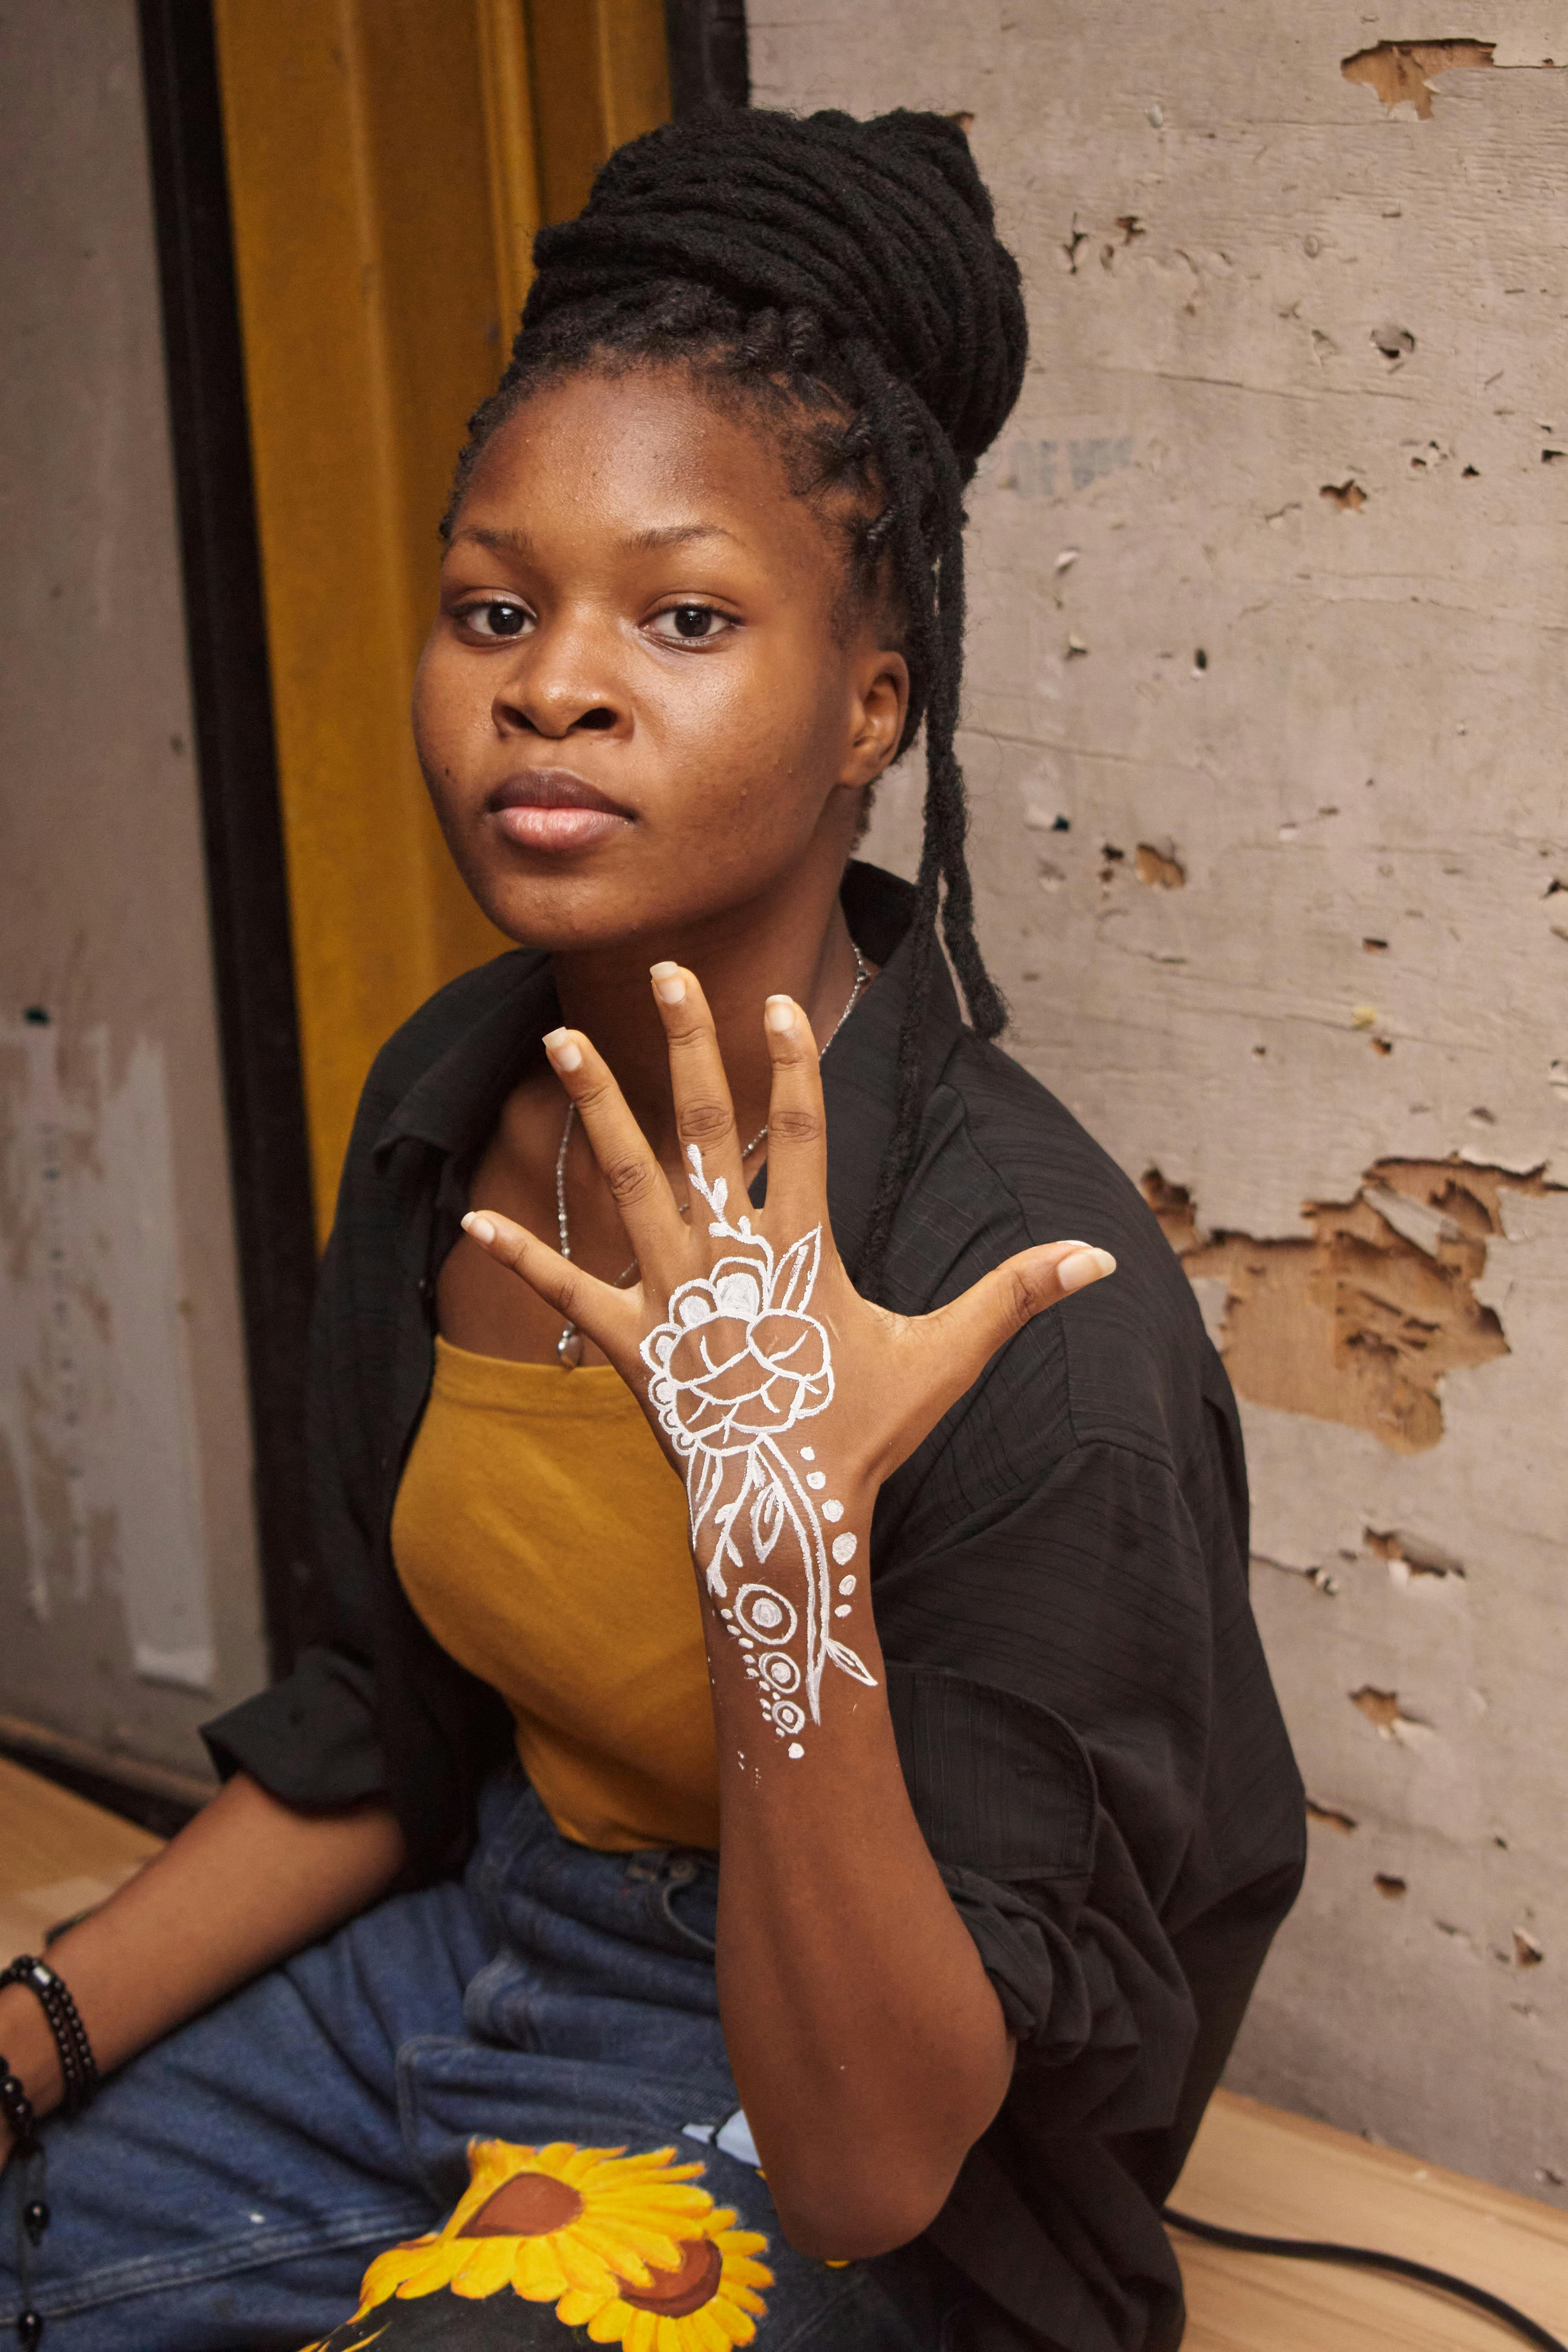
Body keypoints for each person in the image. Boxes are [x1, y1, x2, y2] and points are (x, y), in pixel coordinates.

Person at [0, 105, 1304, 2352]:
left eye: (684, 617)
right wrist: (30, 2034)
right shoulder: (444, 1108)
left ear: (870, 706)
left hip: (848, 2113)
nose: (553, 684)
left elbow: (886, 2151)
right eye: (494, 607)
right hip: (491, 1937)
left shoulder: (1025, 1295)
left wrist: (778, 1534)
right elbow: (386, 1732)